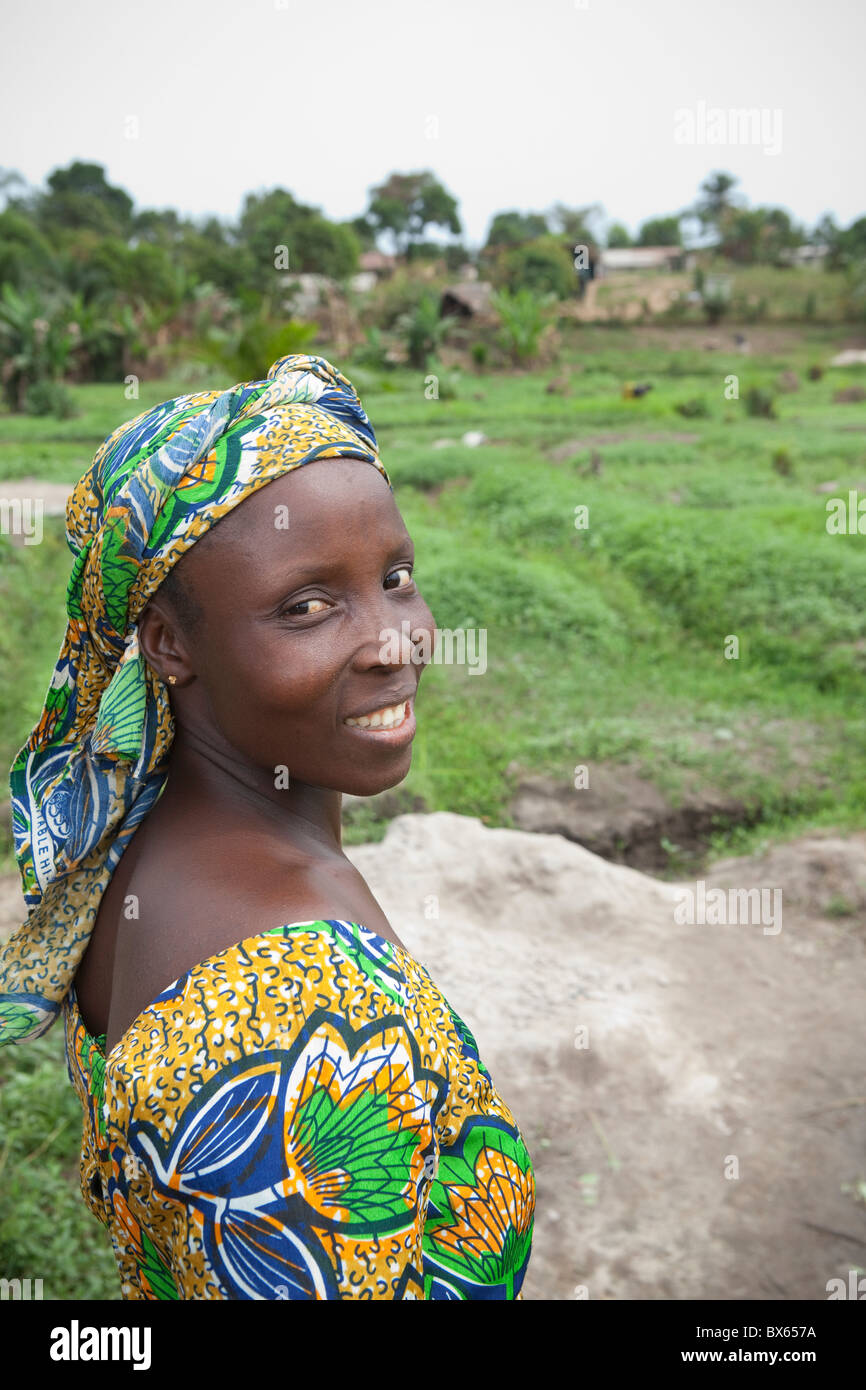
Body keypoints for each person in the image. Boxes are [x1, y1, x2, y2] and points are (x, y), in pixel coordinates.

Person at [0, 353, 536, 1300]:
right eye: (308, 605)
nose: (394, 639)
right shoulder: (304, 1003)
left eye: (397, 576)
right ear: (168, 643)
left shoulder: (131, 852)